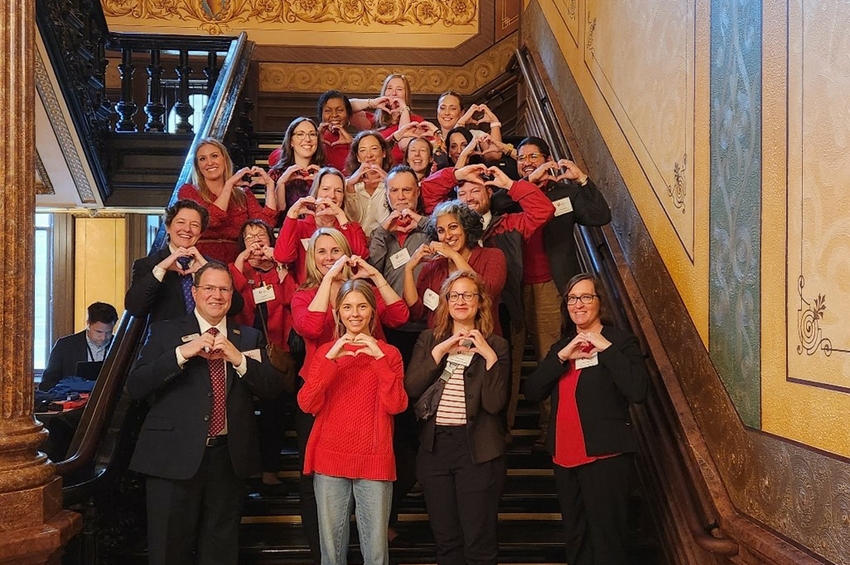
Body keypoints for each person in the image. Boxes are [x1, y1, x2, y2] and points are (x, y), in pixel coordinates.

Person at [126, 262, 283, 565]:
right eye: (209, 288)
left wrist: (238, 359)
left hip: (228, 459)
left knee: (221, 550)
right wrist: (182, 354)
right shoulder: (165, 331)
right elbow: (136, 386)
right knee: (169, 549)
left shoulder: (247, 338)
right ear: (195, 293)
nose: (217, 295)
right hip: (172, 459)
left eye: (224, 289)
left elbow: (272, 389)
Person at [290, 227, 409, 564]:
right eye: (347, 308)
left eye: (362, 308)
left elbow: (397, 404)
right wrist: (329, 359)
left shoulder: (388, 354)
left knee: (376, 554)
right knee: (332, 554)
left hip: (374, 460)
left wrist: (379, 359)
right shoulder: (326, 351)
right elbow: (307, 403)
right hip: (330, 459)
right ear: (337, 313)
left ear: (371, 312)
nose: (355, 314)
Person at [524, 274, 648, 565]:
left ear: (599, 302)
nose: (578, 304)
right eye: (572, 298)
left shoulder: (619, 341)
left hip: (605, 455)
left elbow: (638, 390)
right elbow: (532, 391)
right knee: (576, 537)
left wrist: (605, 348)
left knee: (608, 540)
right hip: (564, 456)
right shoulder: (561, 347)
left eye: (586, 297)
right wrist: (561, 357)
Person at [405, 270, 510, 565]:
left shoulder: (497, 345)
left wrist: (489, 357)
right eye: (454, 295)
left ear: (480, 302)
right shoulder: (429, 340)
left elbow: (494, 404)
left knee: (479, 542)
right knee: (446, 542)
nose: (461, 301)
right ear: (445, 301)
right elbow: (411, 388)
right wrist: (440, 351)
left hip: (478, 451)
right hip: (435, 449)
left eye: (468, 295)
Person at [516, 136, 612, 448]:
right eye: (522, 157)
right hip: (511, 287)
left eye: (534, 156)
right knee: (511, 362)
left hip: (548, 286)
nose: (527, 161)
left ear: (547, 158)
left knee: (549, 355)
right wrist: (528, 183)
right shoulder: (510, 192)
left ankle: (551, 427)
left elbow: (600, 216)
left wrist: (582, 179)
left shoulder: (564, 194)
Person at [229, 219, 296, 493]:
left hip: (277, 351)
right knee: (242, 412)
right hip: (243, 349)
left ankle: (270, 470)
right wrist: (240, 261)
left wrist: (279, 266)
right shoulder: (238, 271)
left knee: (275, 413)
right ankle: (244, 471)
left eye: (261, 235)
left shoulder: (280, 270)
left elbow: (290, 300)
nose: (256, 241)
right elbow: (234, 299)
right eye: (249, 237)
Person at [125, 199, 244, 324]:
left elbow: (235, 308)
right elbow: (135, 308)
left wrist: (207, 269)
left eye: (194, 225)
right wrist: (161, 270)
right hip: (168, 341)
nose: (187, 229)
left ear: (200, 233)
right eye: (181, 222)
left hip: (209, 339)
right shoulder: (148, 265)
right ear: (168, 227)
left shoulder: (214, 265)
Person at [402, 200, 506, 333]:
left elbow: (486, 292)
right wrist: (409, 269)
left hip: (482, 338)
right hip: (441, 341)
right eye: (441, 230)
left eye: (453, 227)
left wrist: (454, 256)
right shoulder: (433, 266)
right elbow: (417, 312)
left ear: (466, 227)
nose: (447, 236)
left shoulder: (493, 256)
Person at [178, 137, 279, 263]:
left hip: (238, 260)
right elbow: (210, 220)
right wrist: (229, 184)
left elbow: (266, 224)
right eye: (202, 159)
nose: (209, 163)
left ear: (224, 160)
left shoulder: (243, 193)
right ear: (198, 166)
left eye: (214, 156)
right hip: (202, 260)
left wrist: (270, 186)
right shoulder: (189, 191)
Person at [273, 167, 369, 284]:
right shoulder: (300, 227)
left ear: (343, 197)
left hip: (345, 294)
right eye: (326, 189)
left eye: (338, 191)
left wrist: (340, 216)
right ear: (316, 193)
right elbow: (282, 257)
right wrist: (291, 215)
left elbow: (361, 257)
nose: (332, 196)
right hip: (310, 294)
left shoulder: (351, 227)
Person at [39, 301, 118, 392]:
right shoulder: (65, 345)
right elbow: (47, 382)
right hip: (71, 401)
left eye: (108, 332)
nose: (103, 337)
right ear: (88, 324)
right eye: (98, 332)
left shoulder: (120, 346)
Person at [268, 117, 325, 217]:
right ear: (291, 141)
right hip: (290, 230)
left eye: (312, 134)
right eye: (300, 134)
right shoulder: (276, 174)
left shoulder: (326, 173)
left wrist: (323, 181)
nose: (307, 139)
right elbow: (276, 215)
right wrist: (281, 183)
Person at [343, 130, 393, 238]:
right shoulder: (346, 185)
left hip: (383, 244)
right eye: (363, 150)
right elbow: (350, 220)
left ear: (383, 153)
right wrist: (350, 186)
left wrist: (390, 183)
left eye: (374, 149)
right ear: (358, 157)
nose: (369, 155)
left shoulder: (393, 185)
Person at [316, 90, 357, 171]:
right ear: (321, 115)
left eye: (340, 110)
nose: (334, 115)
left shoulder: (355, 143)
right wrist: (315, 139)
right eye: (328, 111)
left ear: (348, 114)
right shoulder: (312, 141)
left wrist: (352, 143)